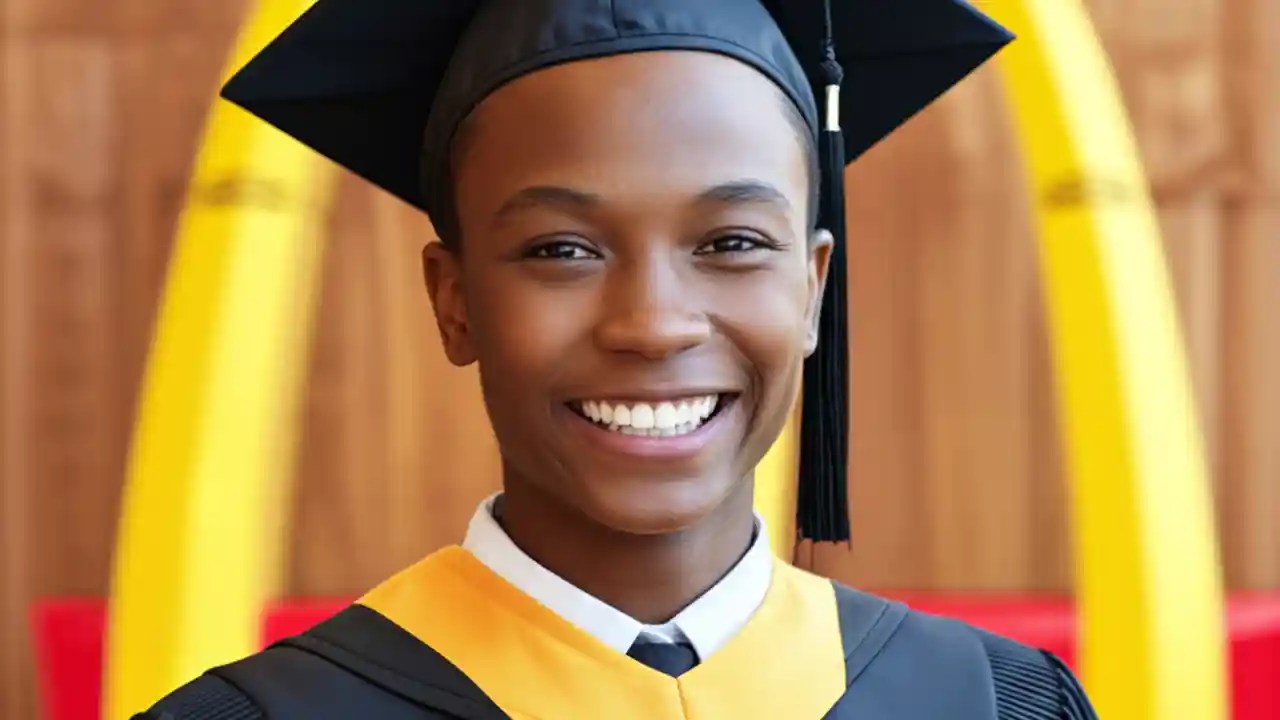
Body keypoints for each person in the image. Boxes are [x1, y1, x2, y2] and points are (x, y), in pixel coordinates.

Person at [136, 0, 1098, 717]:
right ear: (455, 301)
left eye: (730, 243)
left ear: (813, 287)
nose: (653, 324)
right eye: (562, 250)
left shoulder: (994, 702)